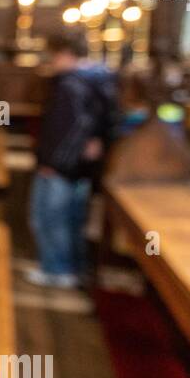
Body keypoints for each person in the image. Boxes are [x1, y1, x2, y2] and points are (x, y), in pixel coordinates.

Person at [27, 31, 118, 288]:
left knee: (49, 218)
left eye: (53, 56)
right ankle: (74, 267)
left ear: (66, 54)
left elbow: (66, 128)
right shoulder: (100, 80)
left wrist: (52, 162)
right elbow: (99, 129)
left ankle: (57, 269)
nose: (51, 61)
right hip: (81, 167)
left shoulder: (71, 85)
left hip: (61, 166)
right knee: (73, 218)